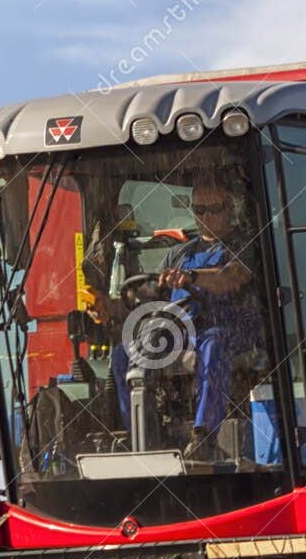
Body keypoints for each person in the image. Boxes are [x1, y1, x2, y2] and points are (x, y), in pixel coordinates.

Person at [111, 178, 262, 454]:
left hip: (230, 329)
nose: (204, 217)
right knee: (124, 353)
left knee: (214, 343)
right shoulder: (178, 253)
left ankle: (204, 435)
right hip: (179, 333)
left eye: (213, 209)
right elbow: (156, 291)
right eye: (199, 210)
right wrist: (126, 297)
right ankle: (144, 439)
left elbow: (231, 278)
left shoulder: (244, 245)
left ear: (231, 209)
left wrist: (191, 277)